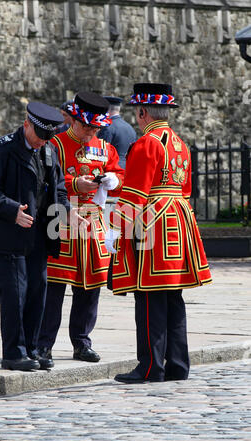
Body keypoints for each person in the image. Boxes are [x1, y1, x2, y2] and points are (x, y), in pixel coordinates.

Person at [105, 83, 212, 383]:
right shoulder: (181, 144)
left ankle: (151, 367)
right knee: (173, 298)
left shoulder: (146, 144)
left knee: (149, 297)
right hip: (178, 219)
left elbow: (135, 194)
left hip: (154, 222)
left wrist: (115, 229)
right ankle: (178, 365)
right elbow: (186, 190)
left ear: (142, 112)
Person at [0, 101, 86, 372]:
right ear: (26, 124)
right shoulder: (0, 150)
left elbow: (58, 189)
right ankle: (14, 352)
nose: (41, 143)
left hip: (39, 233)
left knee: (38, 291)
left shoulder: (48, 150)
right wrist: (12, 210)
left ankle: (34, 349)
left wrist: (67, 213)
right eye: (39, 137)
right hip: (9, 234)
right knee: (16, 294)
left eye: (46, 139)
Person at [38, 91, 124, 366]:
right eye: (86, 126)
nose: (90, 132)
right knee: (54, 286)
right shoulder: (55, 144)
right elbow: (45, 180)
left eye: (95, 128)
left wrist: (112, 179)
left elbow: (120, 175)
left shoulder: (104, 147)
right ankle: (43, 344)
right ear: (74, 120)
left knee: (91, 287)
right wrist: (75, 184)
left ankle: (82, 342)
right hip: (61, 218)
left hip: (94, 221)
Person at [98, 96, 137, 169]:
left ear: (106, 109)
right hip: (128, 169)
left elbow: (101, 154)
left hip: (112, 169)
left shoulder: (107, 127)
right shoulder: (130, 128)